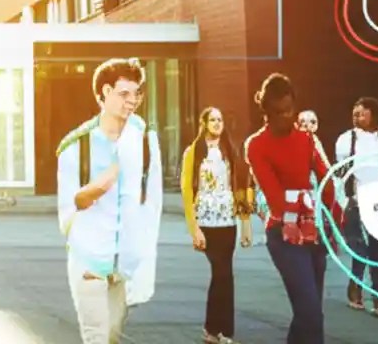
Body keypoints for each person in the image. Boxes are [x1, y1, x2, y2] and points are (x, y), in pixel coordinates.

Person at [56, 57, 163, 344]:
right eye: (124, 94)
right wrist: (109, 177)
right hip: (89, 257)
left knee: (113, 336)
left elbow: (151, 200)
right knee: (96, 337)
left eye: (136, 93)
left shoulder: (144, 140)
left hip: (123, 263)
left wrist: (141, 253)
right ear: (104, 93)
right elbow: (71, 203)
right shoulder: (76, 145)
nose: (132, 101)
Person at [246, 73, 342, 344]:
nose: (287, 117)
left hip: (313, 232)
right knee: (310, 312)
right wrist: (309, 203)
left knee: (308, 314)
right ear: (266, 112)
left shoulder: (306, 140)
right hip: (284, 235)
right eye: (279, 112)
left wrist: (335, 221)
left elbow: (327, 182)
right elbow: (276, 200)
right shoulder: (256, 146)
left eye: (290, 110)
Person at [180, 107, 253, 344]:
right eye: (212, 119)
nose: (217, 123)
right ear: (204, 123)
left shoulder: (230, 151)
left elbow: (241, 185)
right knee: (220, 272)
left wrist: (245, 225)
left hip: (227, 219)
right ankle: (215, 329)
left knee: (225, 274)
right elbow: (186, 189)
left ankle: (220, 331)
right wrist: (194, 229)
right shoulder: (194, 152)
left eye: (220, 119)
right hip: (205, 219)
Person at [333, 97, 378, 318]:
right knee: (359, 250)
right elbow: (340, 173)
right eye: (355, 112)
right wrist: (343, 200)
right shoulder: (345, 140)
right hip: (355, 202)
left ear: (373, 115)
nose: (357, 116)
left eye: (362, 112)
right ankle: (355, 290)